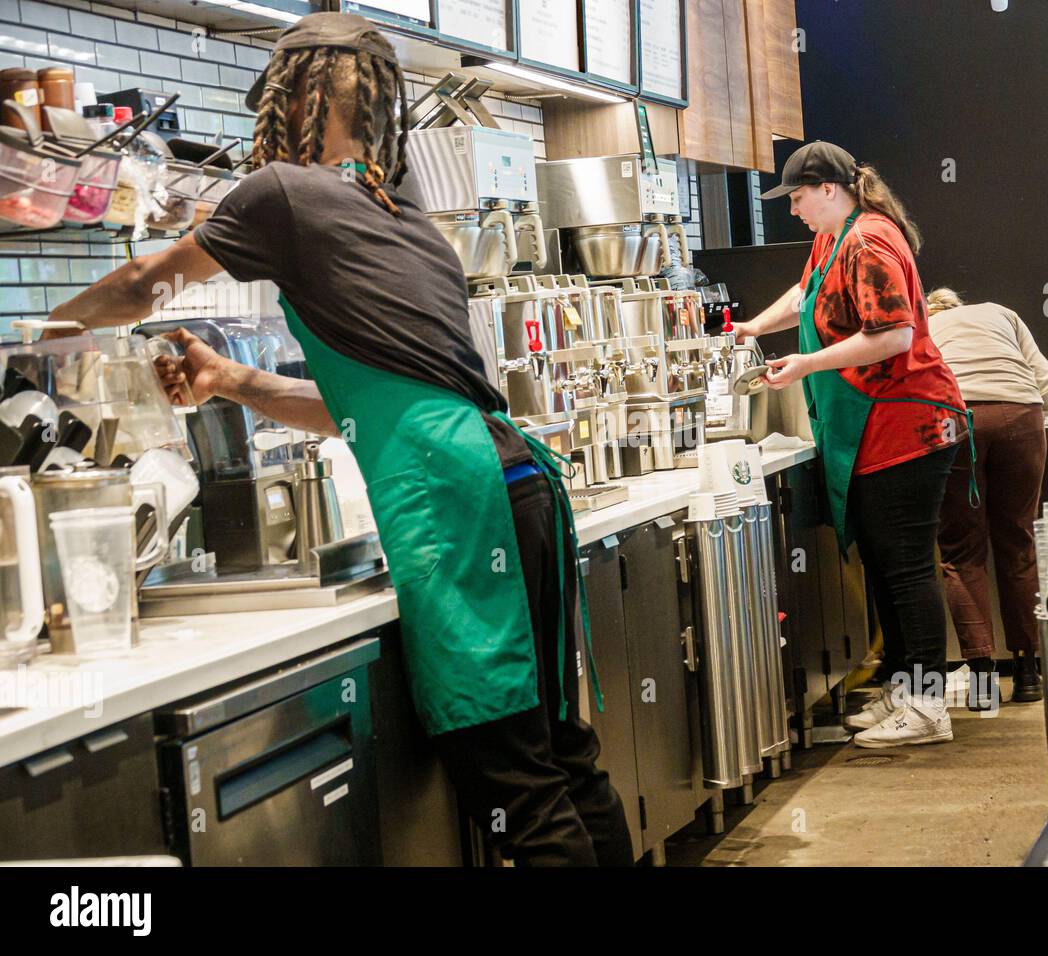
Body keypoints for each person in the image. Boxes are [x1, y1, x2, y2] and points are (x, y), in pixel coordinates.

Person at [46, 13, 632, 867]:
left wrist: (46, 332)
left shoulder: (281, 192)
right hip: (517, 482)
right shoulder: (409, 221)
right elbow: (372, 407)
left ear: (295, 98)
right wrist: (233, 380)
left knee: (512, 783)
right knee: (562, 761)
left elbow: (145, 282)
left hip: (461, 501)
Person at [733, 142, 972, 749]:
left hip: (910, 423)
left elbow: (893, 336)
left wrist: (807, 361)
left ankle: (926, 706)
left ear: (828, 188)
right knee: (887, 565)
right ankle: (904, 690)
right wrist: (753, 327)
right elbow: (806, 294)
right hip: (879, 431)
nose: (792, 209)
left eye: (796, 196)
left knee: (907, 565)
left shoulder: (868, 242)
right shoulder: (835, 238)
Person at [926, 290, 1048, 710]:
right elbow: (1047, 382)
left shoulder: (919, 326)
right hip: (1021, 413)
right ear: (958, 304)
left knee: (961, 552)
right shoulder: (1002, 310)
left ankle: (982, 679)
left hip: (954, 420)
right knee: (1018, 545)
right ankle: (1028, 672)